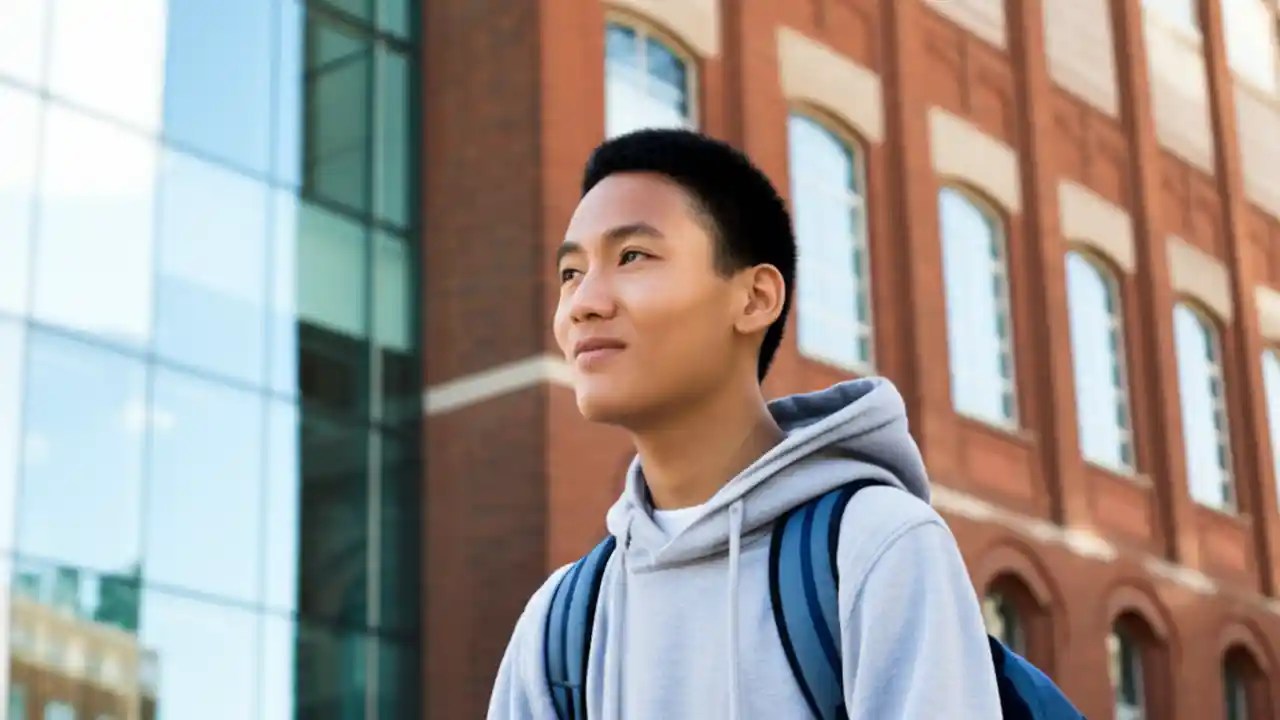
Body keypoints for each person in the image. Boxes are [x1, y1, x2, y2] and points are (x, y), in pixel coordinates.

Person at [486, 128, 1002, 719]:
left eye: (632, 256)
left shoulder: (874, 548)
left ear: (755, 298)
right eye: (571, 273)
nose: (583, 303)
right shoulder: (560, 622)